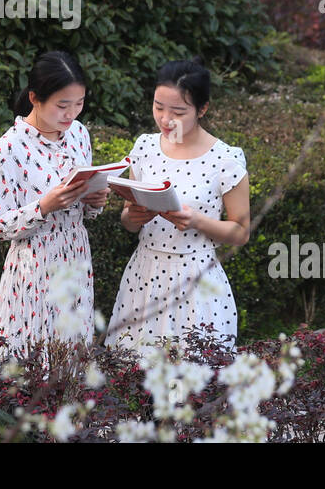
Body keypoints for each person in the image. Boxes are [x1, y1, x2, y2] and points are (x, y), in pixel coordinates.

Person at [104, 57, 249, 354]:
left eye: (178, 111)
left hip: (196, 279)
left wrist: (197, 221)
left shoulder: (226, 159)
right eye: (158, 107)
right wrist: (133, 216)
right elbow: (129, 223)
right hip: (143, 276)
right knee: (133, 373)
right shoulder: (144, 146)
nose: (166, 119)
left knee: (194, 376)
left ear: (202, 109)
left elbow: (241, 232)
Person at [0, 50, 109, 364]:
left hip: (77, 258)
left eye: (79, 104)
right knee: (30, 359)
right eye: (62, 105)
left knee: (71, 360)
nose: (71, 114)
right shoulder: (7, 149)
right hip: (34, 267)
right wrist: (42, 207)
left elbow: (85, 207)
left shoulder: (79, 135)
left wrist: (94, 202)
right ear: (35, 98)